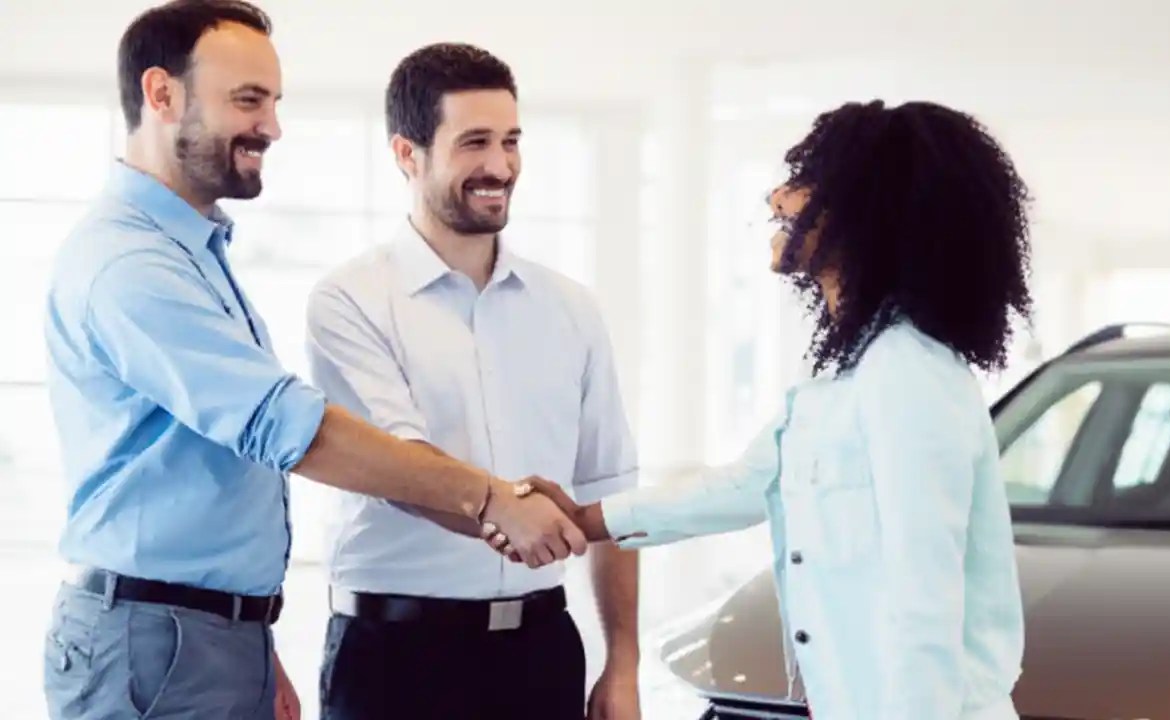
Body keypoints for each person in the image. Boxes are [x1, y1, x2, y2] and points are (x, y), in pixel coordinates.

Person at [41, 4, 584, 719]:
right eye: (247, 99)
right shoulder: (130, 263)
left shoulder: (190, 252)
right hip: (157, 643)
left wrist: (251, 644)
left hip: (203, 634)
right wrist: (490, 498)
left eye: (273, 101)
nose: (271, 125)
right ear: (161, 95)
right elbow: (286, 427)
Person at [497, 100, 1032, 719]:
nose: (778, 196)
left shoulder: (906, 374)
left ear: (866, 211)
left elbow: (925, 605)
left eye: (806, 180)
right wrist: (585, 519)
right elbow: (749, 484)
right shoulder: (848, 373)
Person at [304, 42, 641, 720]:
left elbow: (609, 490)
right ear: (408, 153)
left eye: (511, 141)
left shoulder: (571, 308)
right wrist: (505, 511)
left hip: (542, 653)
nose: (500, 166)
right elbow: (397, 469)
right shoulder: (350, 299)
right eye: (475, 142)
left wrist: (623, 664)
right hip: (393, 661)